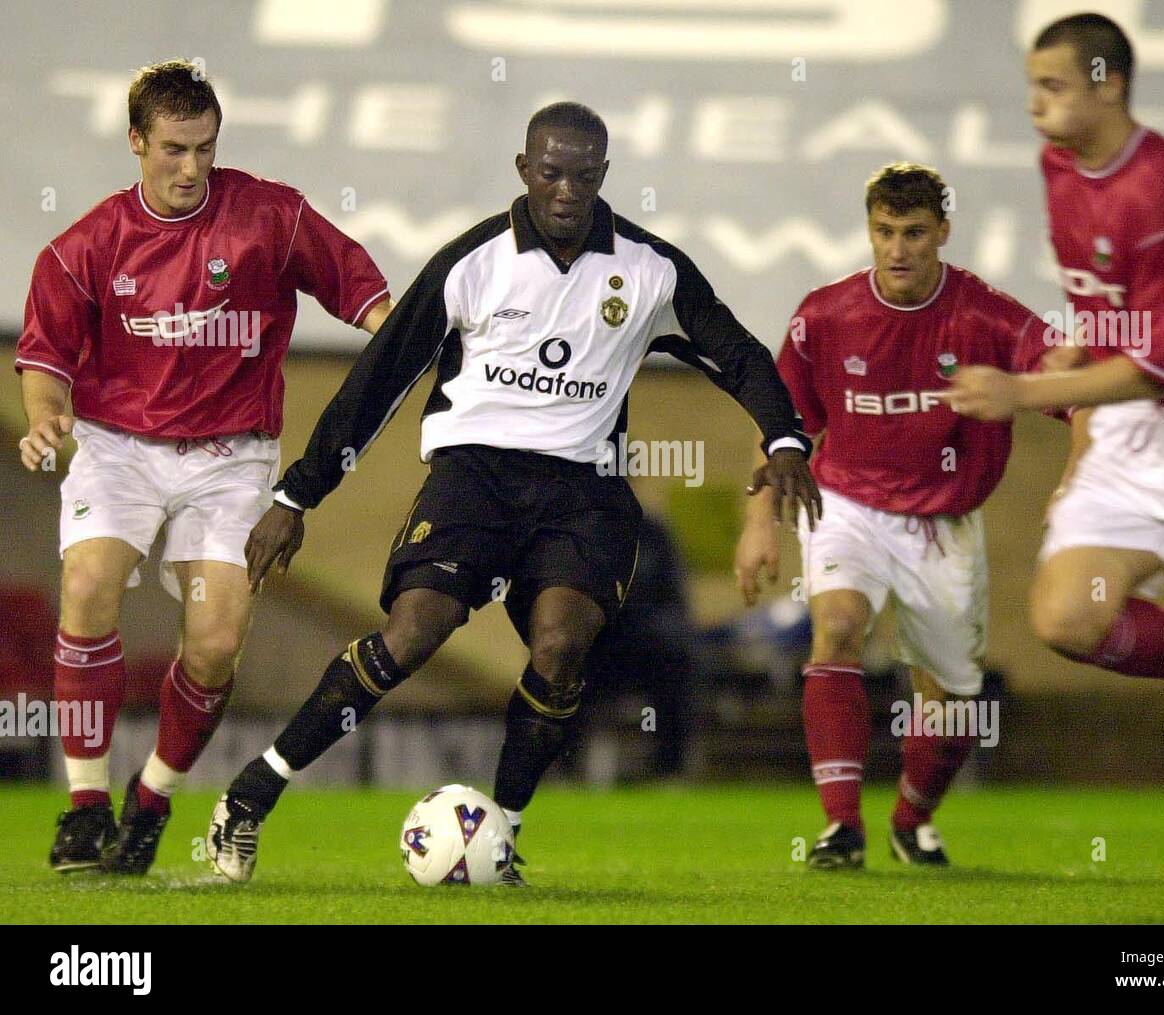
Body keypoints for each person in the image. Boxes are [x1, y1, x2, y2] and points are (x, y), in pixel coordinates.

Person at [205, 101, 820, 884]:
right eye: (553, 172)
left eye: (586, 175)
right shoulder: (473, 262)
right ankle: (251, 796)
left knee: (562, 646)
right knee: (413, 633)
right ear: (525, 170)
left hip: (583, 491)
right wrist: (297, 497)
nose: (567, 190)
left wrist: (786, 438)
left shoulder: (650, 269)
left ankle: (502, 835)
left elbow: (735, 352)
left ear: (604, 175)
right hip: (475, 477)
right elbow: (379, 379)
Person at [16, 60, 394, 874]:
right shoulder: (84, 247)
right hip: (117, 444)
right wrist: (47, 417)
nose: (193, 169)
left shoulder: (271, 218)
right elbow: (43, 357)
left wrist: (412, 345)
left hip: (230, 455)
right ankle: (84, 804)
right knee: (86, 586)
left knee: (216, 640)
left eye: (206, 150)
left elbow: (369, 297)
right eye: (176, 150)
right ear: (137, 144)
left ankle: (149, 799)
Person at [945, 13, 1164, 792]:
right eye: (1031, 85)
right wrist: (1084, 409)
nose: (1035, 103)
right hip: (1138, 426)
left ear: (1111, 87)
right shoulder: (1060, 164)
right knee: (1068, 618)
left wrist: (1025, 390)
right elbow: (1113, 311)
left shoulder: (1161, 190)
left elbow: (1160, 366)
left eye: (1054, 86)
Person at [735, 162, 1067, 869]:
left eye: (915, 232)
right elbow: (781, 427)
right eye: (884, 231)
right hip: (844, 502)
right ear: (869, 231)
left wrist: (1081, 471)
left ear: (942, 232)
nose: (898, 249)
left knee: (950, 695)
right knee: (839, 625)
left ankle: (911, 819)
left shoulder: (987, 316)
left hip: (943, 523)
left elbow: (1072, 384)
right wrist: (758, 521)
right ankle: (841, 828)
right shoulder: (823, 317)